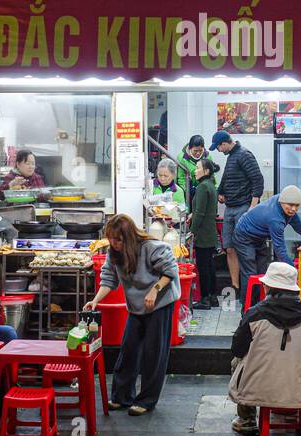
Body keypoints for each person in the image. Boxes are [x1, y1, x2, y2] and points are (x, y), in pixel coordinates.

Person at [88, 213, 180, 415]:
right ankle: (121, 397)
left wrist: (155, 290)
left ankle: (146, 400)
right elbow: (108, 279)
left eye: (118, 239)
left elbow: (171, 271)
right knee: (128, 350)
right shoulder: (114, 253)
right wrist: (95, 300)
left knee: (153, 354)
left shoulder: (151, 247)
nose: (114, 243)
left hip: (160, 304)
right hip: (137, 306)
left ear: (128, 237)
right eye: (110, 239)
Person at [228, 261, 301, 435]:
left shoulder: (254, 314)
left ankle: (247, 420)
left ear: (268, 287)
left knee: (236, 362)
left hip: (258, 389)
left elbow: (237, 349)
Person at [229, 186, 301, 312]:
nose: (294, 209)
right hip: (244, 236)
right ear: (282, 201)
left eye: (297, 205)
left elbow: (295, 221)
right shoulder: (275, 219)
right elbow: (280, 250)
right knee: (250, 273)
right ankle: (247, 311)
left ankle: (260, 307)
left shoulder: (284, 202)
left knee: (263, 273)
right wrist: (295, 271)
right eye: (290, 205)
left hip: (258, 236)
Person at [210, 129, 265, 292]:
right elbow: (226, 177)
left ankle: (248, 291)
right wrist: (220, 192)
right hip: (230, 208)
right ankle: (235, 286)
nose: (219, 150)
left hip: (243, 207)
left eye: (218, 147)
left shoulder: (244, 155)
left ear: (224, 143)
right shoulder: (232, 156)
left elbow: (258, 180)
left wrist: (252, 208)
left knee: (244, 249)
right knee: (229, 248)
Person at [189, 157, 219, 309]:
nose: (195, 171)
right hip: (210, 231)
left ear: (206, 171)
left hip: (203, 233)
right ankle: (213, 297)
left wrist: (192, 232)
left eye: (198, 168)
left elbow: (200, 213)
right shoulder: (211, 185)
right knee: (210, 265)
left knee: (203, 267)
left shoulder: (202, 187)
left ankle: (205, 299)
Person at [176, 135, 217, 205]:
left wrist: (214, 189)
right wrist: (188, 191)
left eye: (200, 150)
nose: (198, 153)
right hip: (188, 192)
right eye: (195, 151)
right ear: (190, 148)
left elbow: (212, 175)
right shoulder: (181, 158)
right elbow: (181, 178)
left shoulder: (207, 156)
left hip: (204, 190)